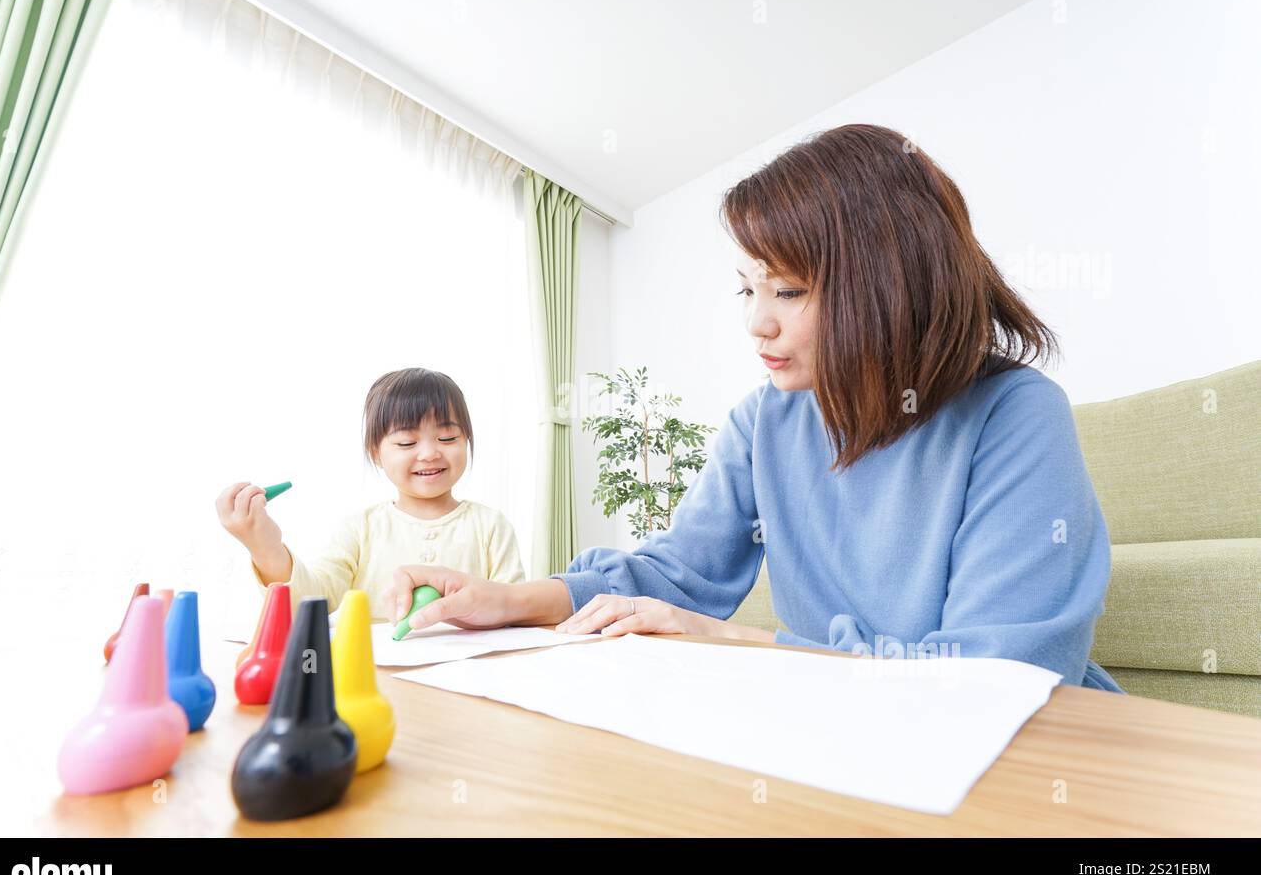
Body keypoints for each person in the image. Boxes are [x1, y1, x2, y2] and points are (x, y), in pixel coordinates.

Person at [383, 124, 1123, 691]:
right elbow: (677, 573)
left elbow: (996, 675)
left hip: (1021, 756)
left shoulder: (1017, 415)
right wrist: (508, 601)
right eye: (748, 289)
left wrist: (730, 640)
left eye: (789, 291)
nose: (756, 323)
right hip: (834, 727)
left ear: (891, 283)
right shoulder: (764, 420)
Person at [216, 367, 526, 615]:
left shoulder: (491, 526)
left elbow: (517, 608)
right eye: (407, 442)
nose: (430, 453)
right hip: (380, 678)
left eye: (447, 438)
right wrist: (266, 548)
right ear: (376, 453)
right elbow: (310, 600)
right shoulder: (360, 529)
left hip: (467, 677)